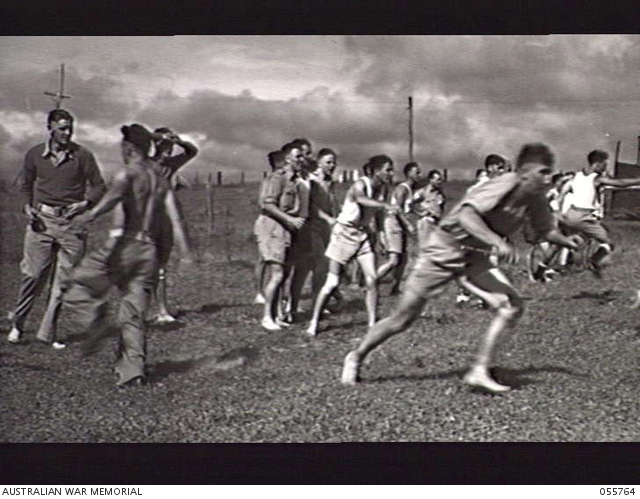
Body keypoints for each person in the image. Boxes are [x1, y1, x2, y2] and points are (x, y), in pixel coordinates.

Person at [341, 143, 581, 393]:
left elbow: (544, 231)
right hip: (445, 249)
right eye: (542, 172)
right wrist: (497, 241)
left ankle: (479, 370)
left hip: (475, 257)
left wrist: (566, 241)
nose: (547, 179)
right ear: (524, 172)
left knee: (511, 306)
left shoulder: (536, 197)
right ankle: (356, 356)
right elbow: (467, 215)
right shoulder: (505, 183)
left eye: (549, 173)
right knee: (402, 319)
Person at [62, 124, 192, 387]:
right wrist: (187, 251)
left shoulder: (130, 173)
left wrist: (89, 216)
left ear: (129, 148)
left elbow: (113, 197)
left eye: (123, 146)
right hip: (149, 250)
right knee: (133, 313)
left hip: (123, 245)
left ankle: (96, 317)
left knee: (74, 283)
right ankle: (132, 372)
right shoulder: (160, 176)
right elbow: (175, 217)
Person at [7, 109, 107, 349]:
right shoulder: (34, 155)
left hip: (72, 225)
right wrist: (27, 207)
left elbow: (99, 186)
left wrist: (86, 203)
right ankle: (18, 324)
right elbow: (25, 185)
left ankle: (48, 332)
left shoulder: (83, 155)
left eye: (70, 128)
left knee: (63, 281)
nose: (67, 133)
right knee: (33, 275)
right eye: (62, 128)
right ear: (50, 127)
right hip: (41, 222)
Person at [306, 155, 399, 336]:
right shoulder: (360, 185)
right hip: (343, 234)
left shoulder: (384, 188)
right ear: (375, 170)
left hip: (363, 235)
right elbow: (361, 199)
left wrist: (381, 236)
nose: (391, 173)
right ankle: (314, 321)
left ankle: (373, 324)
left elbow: (378, 215)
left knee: (372, 280)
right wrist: (386, 205)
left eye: (391, 169)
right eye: (387, 169)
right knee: (332, 283)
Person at [561, 150, 640, 277]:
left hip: (570, 214)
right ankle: (593, 261)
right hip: (582, 216)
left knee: (579, 240)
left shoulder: (577, 176)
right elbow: (620, 183)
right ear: (597, 164)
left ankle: (567, 266)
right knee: (609, 242)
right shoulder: (597, 178)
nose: (605, 167)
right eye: (604, 164)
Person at [148, 127, 198, 325]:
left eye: (170, 146)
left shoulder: (171, 164)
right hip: (146, 221)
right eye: (165, 145)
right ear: (157, 145)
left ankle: (162, 311)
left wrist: (179, 140)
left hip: (166, 220)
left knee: (161, 267)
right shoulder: (145, 163)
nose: (168, 149)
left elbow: (192, 152)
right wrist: (158, 137)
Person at [255, 143, 306, 331]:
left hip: (285, 228)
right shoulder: (278, 178)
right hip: (272, 227)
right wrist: (289, 219)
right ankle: (267, 317)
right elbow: (267, 204)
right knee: (276, 274)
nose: (302, 160)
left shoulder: (295, 180)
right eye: (298, 157)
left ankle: (277, 315)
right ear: (287, 159)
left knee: (283, 274)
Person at [289, 147, 344, 319]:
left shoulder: (329, 181)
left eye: (334, 162)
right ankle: (292, 306)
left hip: (325, 228)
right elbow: (311, 206)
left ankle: (317, 305)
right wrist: (327, 218)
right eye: (328, 162)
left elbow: (331, 202)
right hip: (310, 228)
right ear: (319, 163)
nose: (332, 165)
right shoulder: (311, 180)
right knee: (304, 268)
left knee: (321, 268)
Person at [376, 162, 421, 295]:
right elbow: (398, 209)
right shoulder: (403, 188)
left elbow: (409, 208)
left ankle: (395, 288)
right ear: (408, 173)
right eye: (416, 172)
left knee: (403, 259)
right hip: (394, 223)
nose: (419, 175)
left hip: (400, 224)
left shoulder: (410, 190)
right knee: (393, 260)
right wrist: (407, 224)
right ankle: (371, 282)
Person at [253, 150, 285, 305]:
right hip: (267, 221)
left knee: (278, 261)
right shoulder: (269, 180)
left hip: (277, 221)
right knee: (263, 259)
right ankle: (259, 292)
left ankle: (277, 294)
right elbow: (263, 203)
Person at [412, 169, 446, 252]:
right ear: (431, 180)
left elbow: (441, 207)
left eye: (441, 179)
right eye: (438, 179)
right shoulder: (422, 191)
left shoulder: (440, 193)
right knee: (426, 249)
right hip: (426, 222)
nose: (440, 181)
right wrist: (419, 213)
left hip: (436, 222)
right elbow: (409, 203)